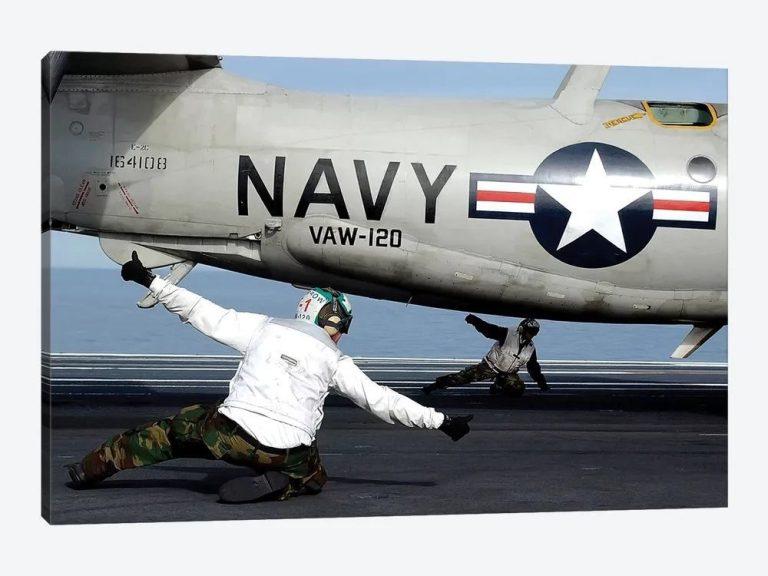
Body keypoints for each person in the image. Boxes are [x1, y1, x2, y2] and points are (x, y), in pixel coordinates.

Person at [65, 252, 473, 503]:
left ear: (306, 309)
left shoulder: (264, 327)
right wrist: (442, 421)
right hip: (288, 449)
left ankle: (88, 471)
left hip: (230, 432)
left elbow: (203, 312)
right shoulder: (337, 361)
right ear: (335, 324)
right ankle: (288, 482)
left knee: (159, 437)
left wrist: (150, 279)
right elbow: (381, 400)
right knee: (315, 477)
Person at [422, 314, 550, 397]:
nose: (531, 335)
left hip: (508, 373)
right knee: (462, 378)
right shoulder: (508, 334)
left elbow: (533, 367)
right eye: (530, 332)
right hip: (489, 367)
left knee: (517, 389)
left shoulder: (530, 349)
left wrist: (541, 383)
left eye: (534, 333)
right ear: (523, 329)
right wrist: (475, 320)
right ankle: (434, 386)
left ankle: (498, 386)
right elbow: (489, 330)